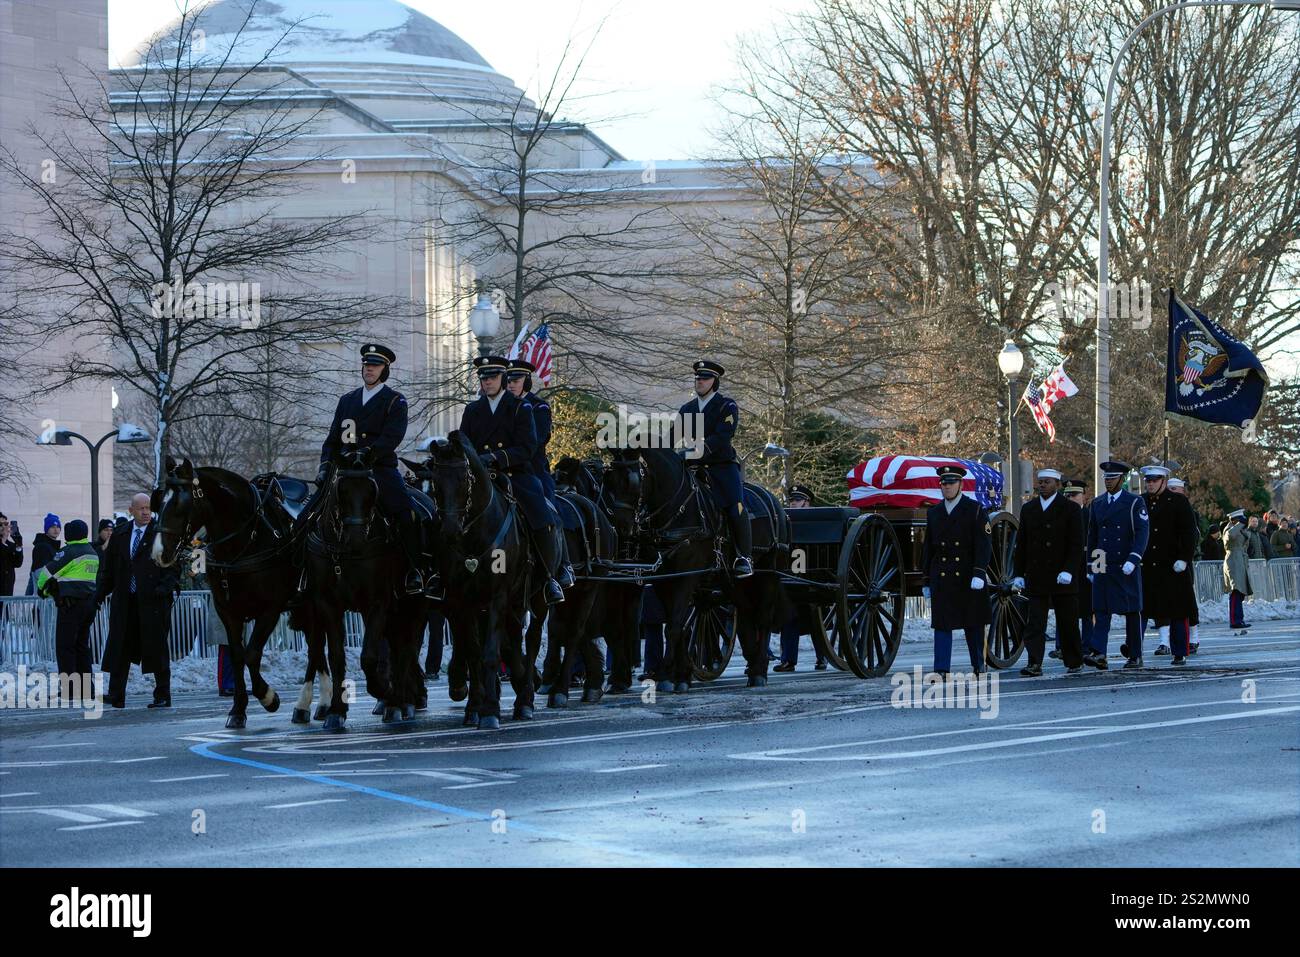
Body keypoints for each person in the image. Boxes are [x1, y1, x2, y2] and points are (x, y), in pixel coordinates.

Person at [317, 343, 427, 595]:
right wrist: (325, 466)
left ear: (384, 370)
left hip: (379, 470)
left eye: (375, 366)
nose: (369, 369)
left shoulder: (394, 401)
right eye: (367, 364)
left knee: (406, 514)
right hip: (345, 473)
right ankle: (303, 575)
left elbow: (392, 436)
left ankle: (416, 570)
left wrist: (369, 452)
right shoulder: (347, 401)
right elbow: (333, 439)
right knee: (310, 513)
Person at [459, 355, 566, 604]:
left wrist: (496, 457)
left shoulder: (521, 408)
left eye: (493, 377)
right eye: (483, 378)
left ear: (503, 378)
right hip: (481, 478)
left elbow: (528, 446)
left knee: (541, 513)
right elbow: (465, 442)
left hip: (514, 474)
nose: (487, 383)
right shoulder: (472, 410)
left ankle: (550, 576)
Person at [96, 492, 180, 708]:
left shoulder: (160, 533)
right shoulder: (121, 534)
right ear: (131, 510)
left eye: (148, 508)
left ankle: (162, 694)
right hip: (125, 601)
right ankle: (116, 694)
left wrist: (163, 589)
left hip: (152, 602)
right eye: (141, 508)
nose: (146, 512)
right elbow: (109, 571)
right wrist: (98, 595)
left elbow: (173, 567)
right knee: (120, 646)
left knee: (157, 648)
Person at [677, 360, 752, 578]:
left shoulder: (726, 406)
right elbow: (674, 436)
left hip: (722, 468)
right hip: (693, 468)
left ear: (714, 382)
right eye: (698, 378)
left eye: (705, 378)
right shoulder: (687, 409)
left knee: (736, 506)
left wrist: (691, 452)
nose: (699, 382)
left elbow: (722, 437)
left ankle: (743, 557)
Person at [505, 357, 574, 588]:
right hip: (502, 471)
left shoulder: (539, 407)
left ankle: (562, 564)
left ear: (527, 381)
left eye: (517, 380)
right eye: (509, 380)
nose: (511, 384)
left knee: (550, 510)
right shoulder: (501, 407)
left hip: (532, 470)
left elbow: (537, 440)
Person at [920, 465, 991, 675]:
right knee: (942, 625)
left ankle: (978, 663)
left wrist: (979, 572)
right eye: (944, 483)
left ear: (960, 484)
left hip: (968, 575)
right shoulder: (934, 512)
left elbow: (983, 544)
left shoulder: (975, 509)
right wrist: (926, 580)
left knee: (974, 624)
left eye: (951, 483)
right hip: (942, 576)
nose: (947, 487)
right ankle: (941, 668)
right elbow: (928, 549)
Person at [1013, 468, 1085, 677]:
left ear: (1057, 484)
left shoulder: (1070, 509)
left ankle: (1074, 660)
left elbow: (1076, 543)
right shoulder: (1029, 509)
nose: (1042, 485)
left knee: (1068, 622)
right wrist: (1019, 573)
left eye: (1047, 482)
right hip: (1037, 574)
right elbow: (1022, 544)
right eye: (1041, 481)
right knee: (1035, 622)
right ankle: (1034, 662)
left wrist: (1069, 570)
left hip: (1062, 575)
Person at [1084, 461, 1149, 670]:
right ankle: (1099, 652)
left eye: (1112, 478)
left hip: (1125, 562)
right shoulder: (1097, 503)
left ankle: (1135, 655)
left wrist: (1134, 558)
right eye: (1106, 478)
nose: (1108, 482)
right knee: (1101, 609)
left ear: (1122, 480)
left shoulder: (1134, 503)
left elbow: (1141, 532)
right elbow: (1093, 535)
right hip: (1104, 562)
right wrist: (1091, 565)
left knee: (1131, 611)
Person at [1138, 465, 1198, 666]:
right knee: (1141, 611)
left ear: (1163, 481)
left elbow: (1189, 533)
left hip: (1171, 566)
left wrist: (1184, 558)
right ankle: (1134, 652)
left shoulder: (1178, 502)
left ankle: (1179, 651)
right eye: (1148, 481)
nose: (1150, 484)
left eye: (1154, 480)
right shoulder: (1140, 501)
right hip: (1146, 565)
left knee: (1177, 610)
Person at [34, 518, 99, 697]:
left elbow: (45, 574)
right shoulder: (92, 551)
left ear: (70, 534)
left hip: (71, 605)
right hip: (89, 604)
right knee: (82, 646)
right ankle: (87, 689)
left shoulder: (69, 551)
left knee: (65, 647)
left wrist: (43, 591)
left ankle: (70, 689)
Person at [1167, 477, 1202, 653]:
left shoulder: (1189, 510)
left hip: (1183, 561)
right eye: (1169, 488)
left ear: (1182, 491)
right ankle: (1164, 641)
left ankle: (1193, 638)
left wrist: (1184, 556)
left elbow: (1193, 536)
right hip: (1166, 562)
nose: (1171, 491)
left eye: (1175, 489)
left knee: (1187, 602)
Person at [1222, 508, 1252, 631]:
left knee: (1240, 592)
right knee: (1236, 591)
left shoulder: (1240, 530)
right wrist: (1239, 525)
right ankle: (1235, 620)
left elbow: (1247, 538)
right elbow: (1230, 536)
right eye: (1239, 519)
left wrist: (1243, 527)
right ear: (1234, 520)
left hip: (1240, 561)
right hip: (1233, 561)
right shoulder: (1229, 529)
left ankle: (1240, 619)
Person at [25, 513, 61, 595]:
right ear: (46, 529)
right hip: (45, 596)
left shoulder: (53, 547)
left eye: (58, 527)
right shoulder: (42, 546)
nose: (56, 530)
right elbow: (39, 572)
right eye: (52, 527)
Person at [0, 512, 22, 597]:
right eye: (0, 525)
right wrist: (3, 540)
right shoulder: (5, 544)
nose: (4, 527)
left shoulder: (11, 545)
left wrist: (18, 545)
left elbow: (17, 563)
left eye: (5, 524)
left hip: (7, 591)